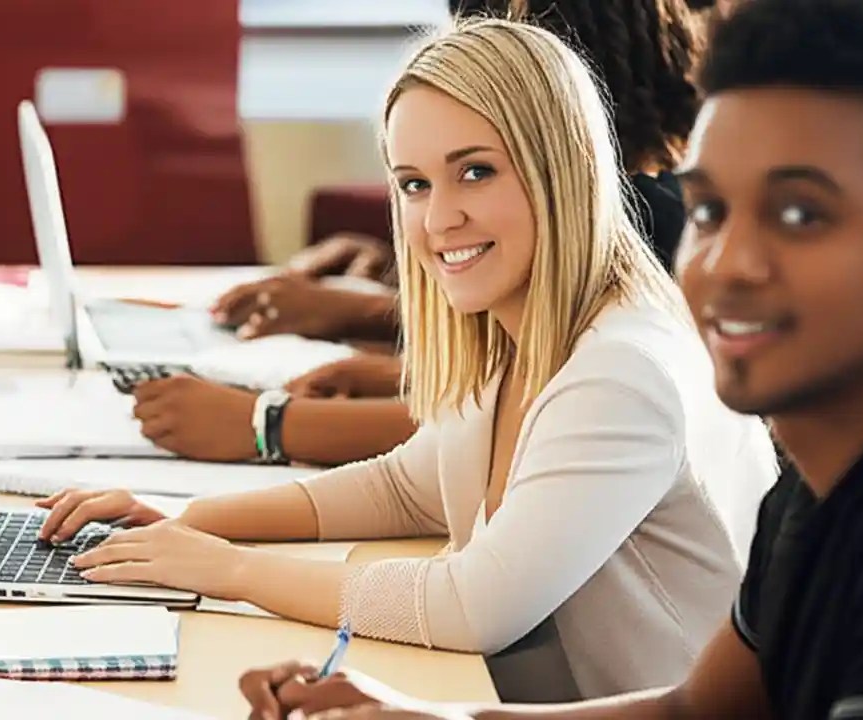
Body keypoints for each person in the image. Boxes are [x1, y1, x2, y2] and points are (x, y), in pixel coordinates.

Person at [239, 0, 863, 718]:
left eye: (797, 214)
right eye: (707, 213)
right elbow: (692, 710)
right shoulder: (824, 476)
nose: (725, 266)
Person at [41, 18, 778, 703]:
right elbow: (407, 487)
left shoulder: (623, 371)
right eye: (414, 184)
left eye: (476, 172)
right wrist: (187, 522)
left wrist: (229, 572)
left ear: (563, 168)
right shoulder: (514, 329)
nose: (437, 218)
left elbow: (473, 607)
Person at [131, 0, 717, 468]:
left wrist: (267, 424)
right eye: (413, 185)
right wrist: (382, 300)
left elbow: (536, 423)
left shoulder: (645, 218)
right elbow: (505, 381)